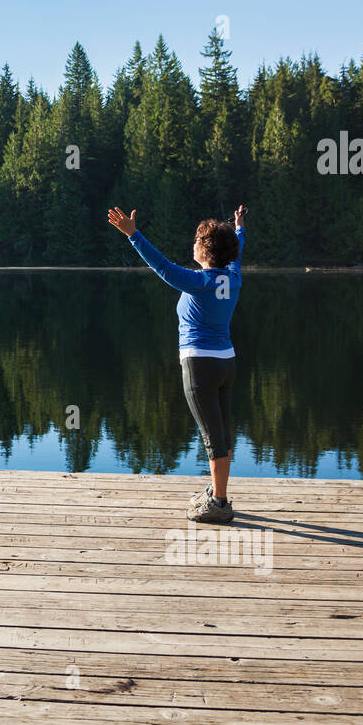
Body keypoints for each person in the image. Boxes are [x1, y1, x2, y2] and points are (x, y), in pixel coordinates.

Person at [107, 204, 246, 523]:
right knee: (222, 433)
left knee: (213, 438)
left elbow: (163, 268)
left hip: (201, 366)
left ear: (206, 250)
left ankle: (220, 503)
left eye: (197, 240)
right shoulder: (233, 276)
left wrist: (133, 236)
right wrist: (238, 228)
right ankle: (217, 492)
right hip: (226, 363)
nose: (193, 244)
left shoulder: (199, 282)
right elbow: (236, 254)